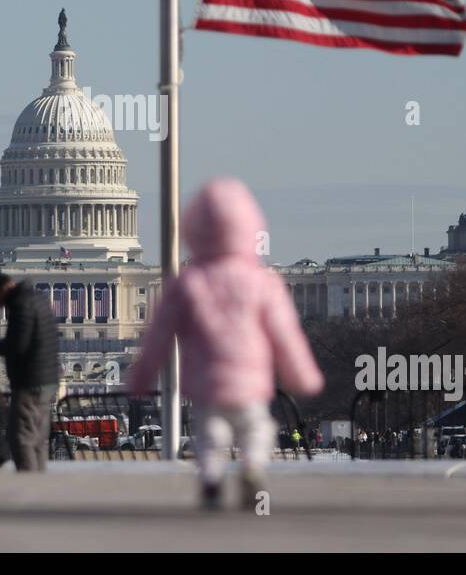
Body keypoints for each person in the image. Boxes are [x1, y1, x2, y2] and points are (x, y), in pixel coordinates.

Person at [127, 178, 324, 510]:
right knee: (257, 427)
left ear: (193, 229)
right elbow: (286, 336)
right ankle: (252, 467)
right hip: (250, 380)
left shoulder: (187, 282)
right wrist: (302, 376)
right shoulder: (264, 282)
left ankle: (210, 476)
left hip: (205, 382)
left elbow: (158, 337)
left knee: (209, 433)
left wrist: (140, 378)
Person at [0, 269, 59, 471]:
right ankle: (38, 485)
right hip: (47, 378)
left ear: (1, 290)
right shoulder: (37, 299)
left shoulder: (20, 304)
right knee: (38, 437)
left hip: (30, 380)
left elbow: (18, 345)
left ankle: (28, 482)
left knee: (20, 436)